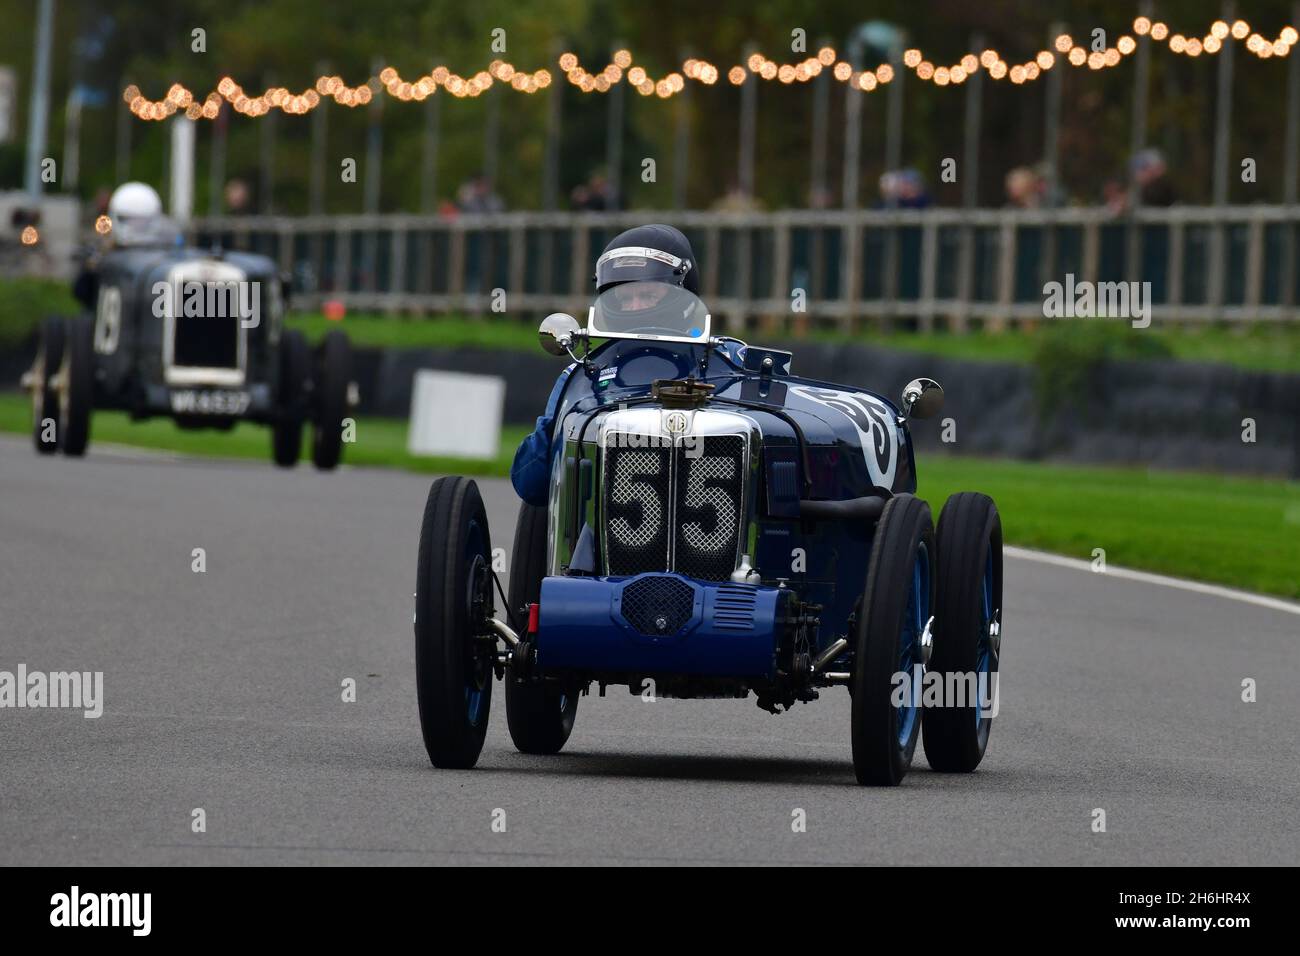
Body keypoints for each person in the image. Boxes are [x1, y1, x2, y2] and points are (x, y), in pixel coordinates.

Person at [510, 224, 699, 506]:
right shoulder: (584, 373)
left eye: (646, 295)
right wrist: (559, 430)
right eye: (624, 298)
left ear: (682, 290)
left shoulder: (724, 361)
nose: (635, 306)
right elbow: (531, 482)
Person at [73, 182, 180, 308]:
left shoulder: (167, 251)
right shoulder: (107, 251)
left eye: (141, 221)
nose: (136, 226)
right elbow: (82, 292)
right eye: (130, 220)